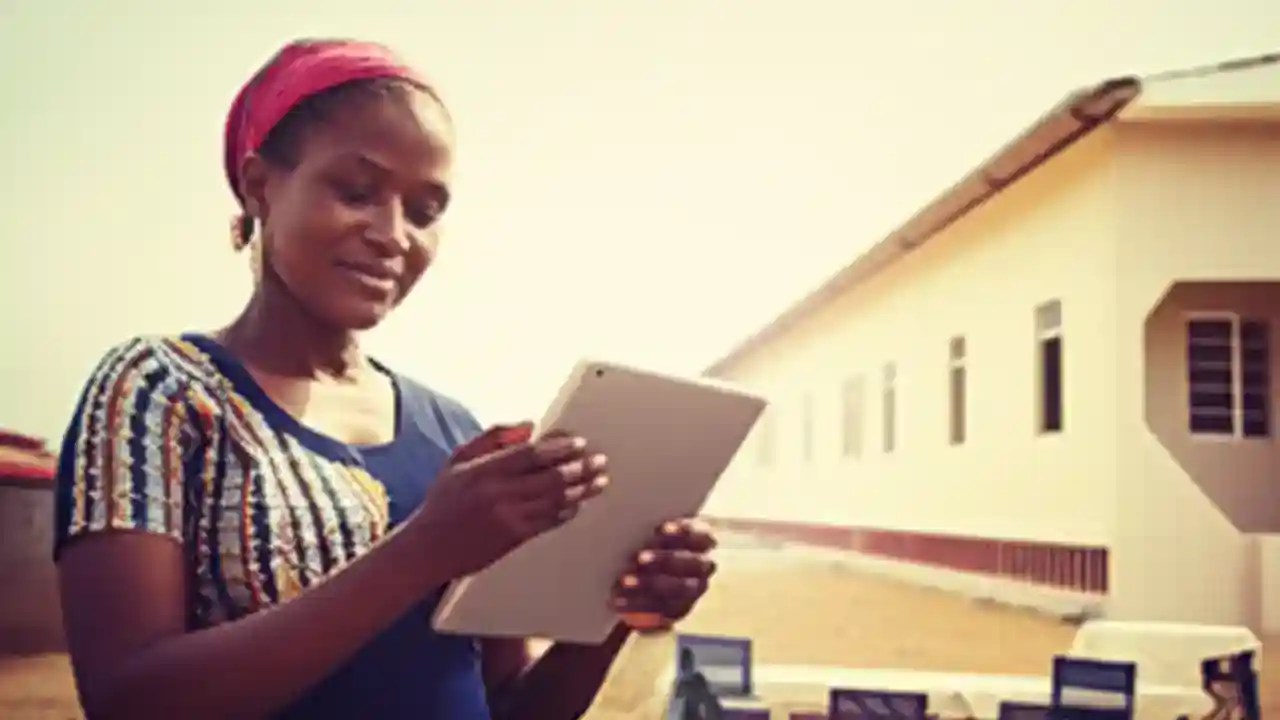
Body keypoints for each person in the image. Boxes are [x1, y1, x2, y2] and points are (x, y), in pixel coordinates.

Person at [52, 38, 718, 720]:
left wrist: (612, 614)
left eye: (425, 211)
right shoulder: (160, 391)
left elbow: (510, 708)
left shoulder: (452, 429)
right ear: (259, 186)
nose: (393, 234)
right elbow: (129, 702)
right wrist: (422, 551)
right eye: (357, 191)